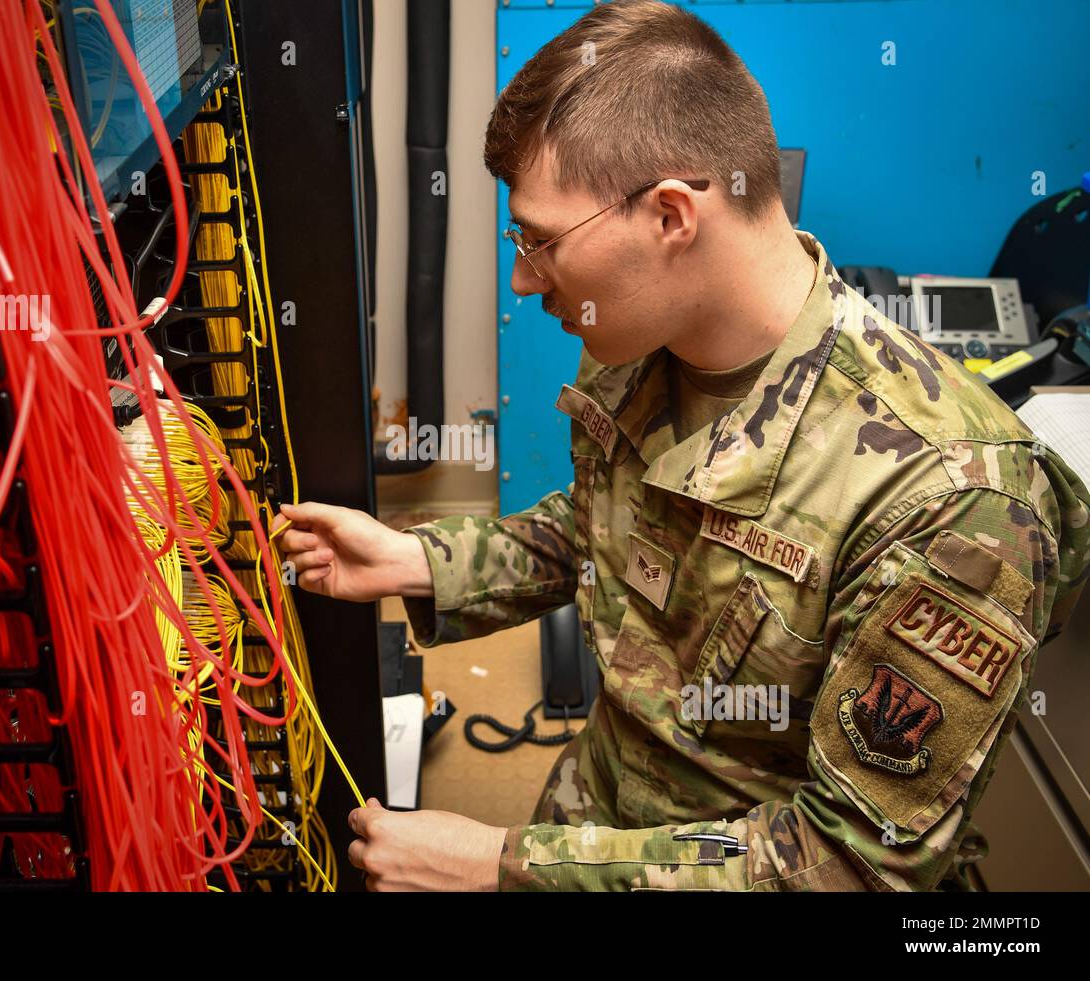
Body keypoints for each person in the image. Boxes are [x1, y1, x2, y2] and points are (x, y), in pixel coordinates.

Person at [277, 0, 1090, 891]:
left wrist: (503, 866)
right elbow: (614, 528)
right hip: (596, 817)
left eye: (539, 241)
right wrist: (417, 561)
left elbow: (850, 867)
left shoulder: (953, 501)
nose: (521, 275)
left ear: (671, 215)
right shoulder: (642, 342)